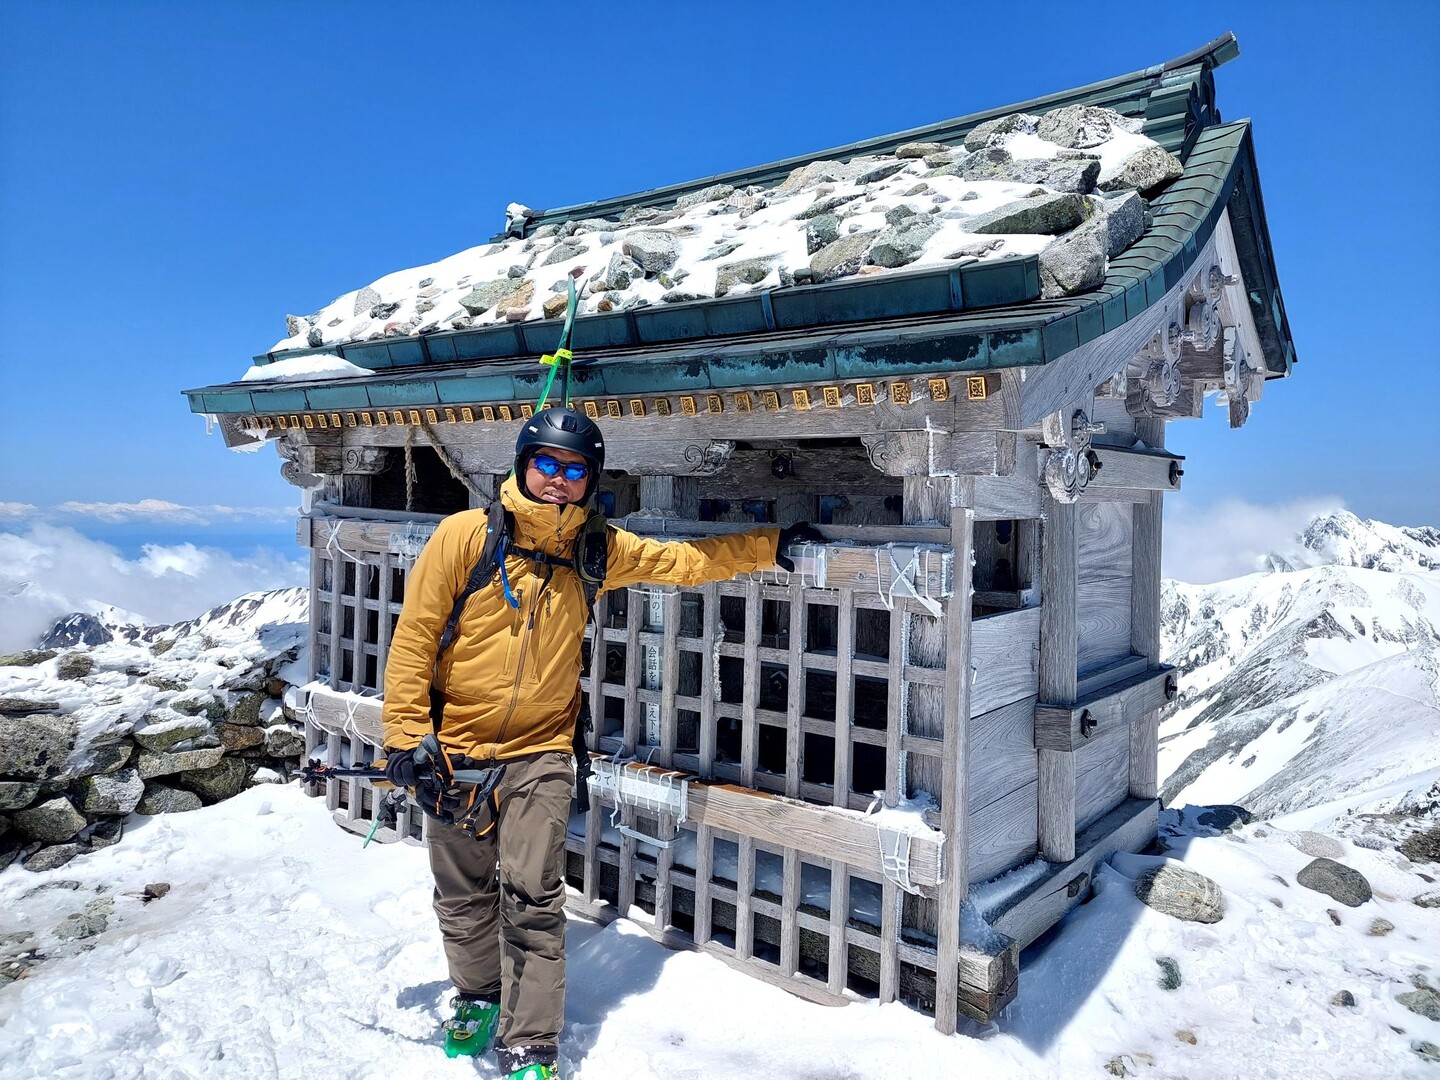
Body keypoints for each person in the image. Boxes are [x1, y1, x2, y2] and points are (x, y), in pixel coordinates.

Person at [380, 405, 821, 1079]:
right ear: (523, 465)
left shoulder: (595, 549)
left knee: (533, 895)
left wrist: (767, 547)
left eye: (574, 471)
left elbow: (682, 562)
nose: (558, 481)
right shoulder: (465, 537)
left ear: (590, 483)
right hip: (455, 750)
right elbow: (413, 640)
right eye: (547, 465)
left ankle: (532, 1041)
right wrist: (410, 737)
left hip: (543, 753)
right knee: (464, 896)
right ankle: (476, 996)